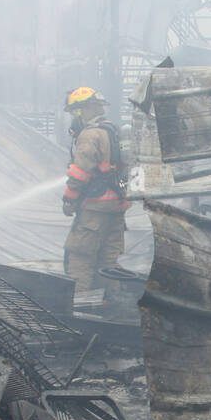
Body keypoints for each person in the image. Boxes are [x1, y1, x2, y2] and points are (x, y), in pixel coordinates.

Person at [61, 87, 127, 293]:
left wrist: (69, 201)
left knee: (80, 259)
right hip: (116, 207)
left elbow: (80, 174)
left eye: (75, 112)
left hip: (93, 210)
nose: (74, 117)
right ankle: (108, 303)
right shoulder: (113, 130)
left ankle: (78, 308)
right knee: (108, 262)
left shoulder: (90, 135)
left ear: (85, 110)